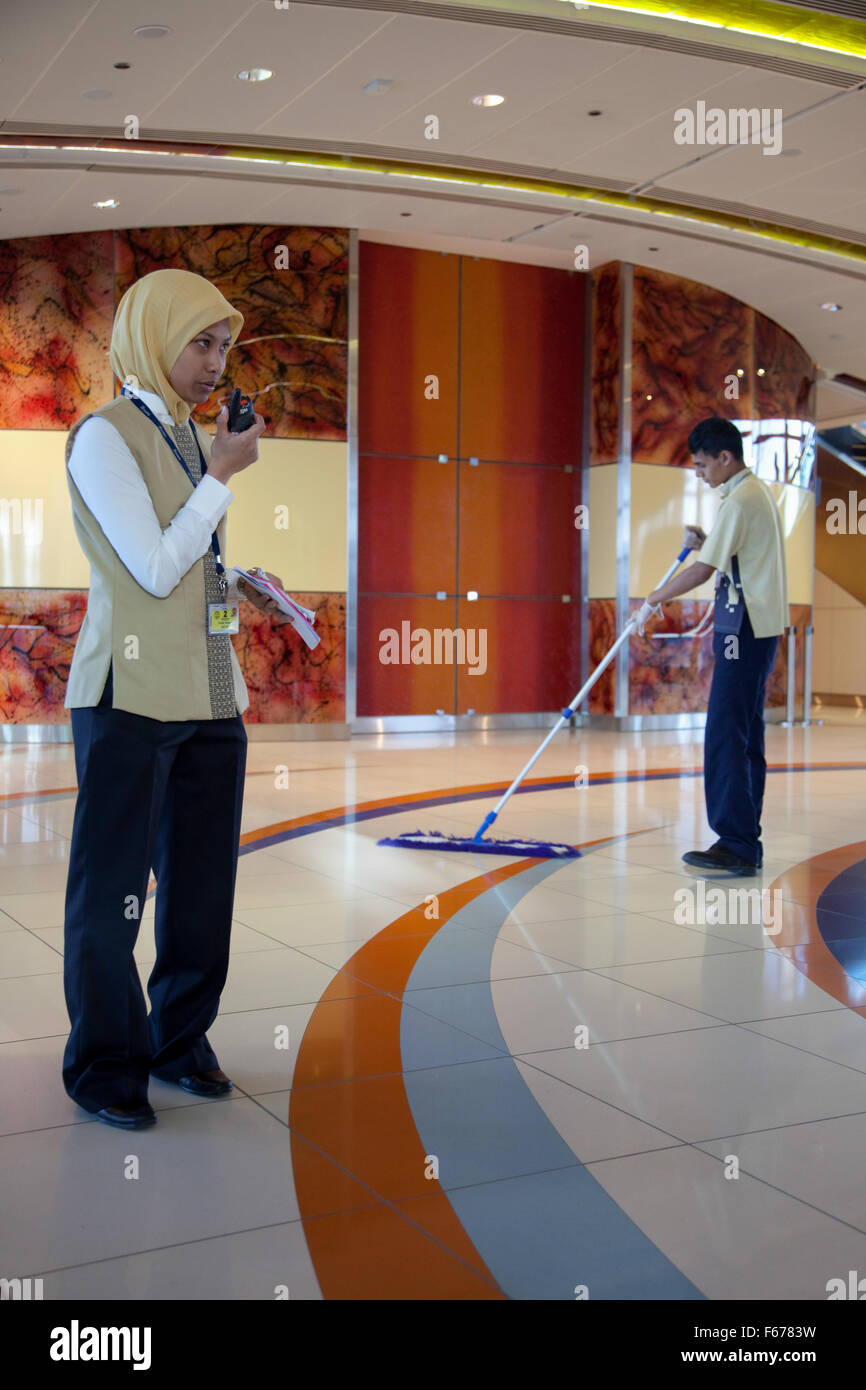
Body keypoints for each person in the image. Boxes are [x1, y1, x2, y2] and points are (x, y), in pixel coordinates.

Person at [62, 268, 288, 1130]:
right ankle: (104, 1064)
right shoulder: (103, 437)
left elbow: (191, 561)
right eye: (201, 342)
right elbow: (151, 570)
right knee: (114, 891)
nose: (214, 363)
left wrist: (241, 584)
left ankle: (177, 1041)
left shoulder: (197, 442)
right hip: (128, 697)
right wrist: (224, 477)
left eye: (224, 346)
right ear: (154, 339)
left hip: (208, 698)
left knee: (201, 888)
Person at [636, 416, 788, 876]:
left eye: (703, 465)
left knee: (725, 732)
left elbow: (703, 570)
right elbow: (725, 557)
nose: (699, 474)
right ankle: (743, 839)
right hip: (755, 629)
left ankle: (737, 843)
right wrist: (705, 544)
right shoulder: (749, 494)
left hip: (744, 630)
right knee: (743, 734)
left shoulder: (740, 500)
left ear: (726, 457)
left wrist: (653, 598)